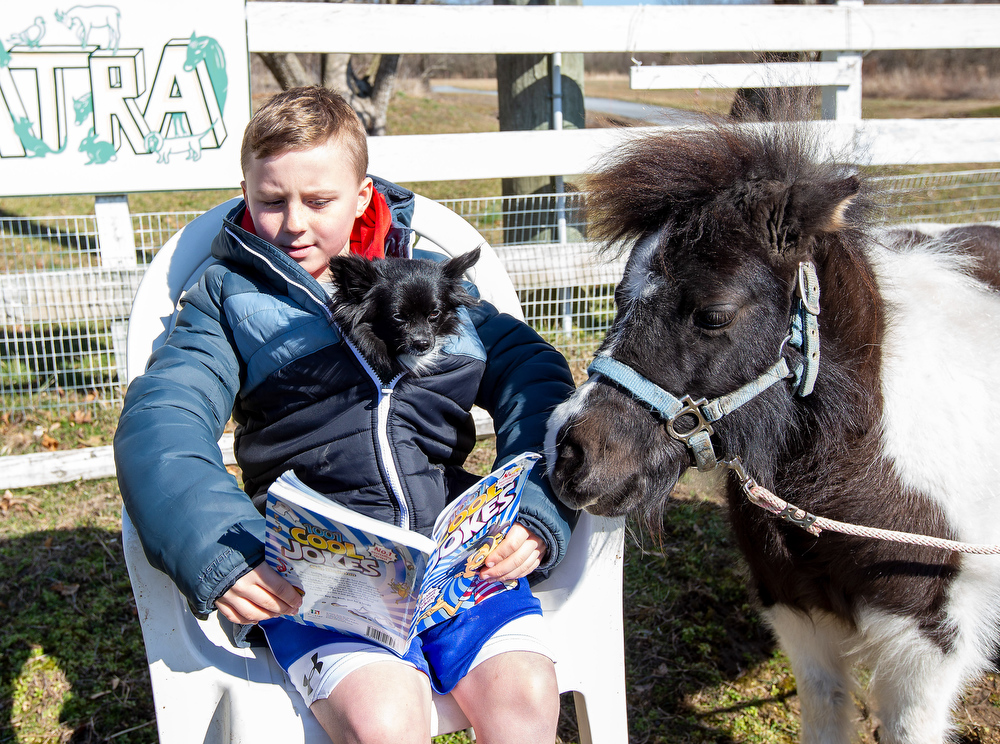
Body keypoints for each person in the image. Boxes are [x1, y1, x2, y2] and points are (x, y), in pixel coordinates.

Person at [114, 86, 577, 744]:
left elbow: (535, 374)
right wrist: (224, 550)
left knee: (527, 697)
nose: (293, 223)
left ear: (362, 196)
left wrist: (534, 507)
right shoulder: (229, 298)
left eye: (318, 200)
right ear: (245, 190)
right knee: (386, 722)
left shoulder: (424, 282)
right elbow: (162, 424)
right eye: (270, 200)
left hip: (459, 558)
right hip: (321, 575)